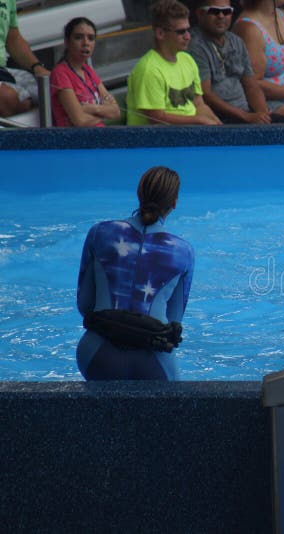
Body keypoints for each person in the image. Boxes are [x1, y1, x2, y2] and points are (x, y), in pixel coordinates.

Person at [76, 166, 194, 381]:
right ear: (174, 202)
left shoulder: (99, 233)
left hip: (96, 352)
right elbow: (174, 320)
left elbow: (84, 305)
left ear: (139, 193)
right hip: (154, 360)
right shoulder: (183, 251)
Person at [126, 0, 222, 125]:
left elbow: (199, 103)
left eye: (188, 30)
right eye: (181, 32)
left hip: (191, 132)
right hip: (158, 139)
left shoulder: (187, 59)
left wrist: (220, 129)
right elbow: (156, 119)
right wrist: (198, 121)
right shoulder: (148, 70)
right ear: (160, 33)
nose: (188, 36)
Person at [188, 0, 280, 124]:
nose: (221, 16)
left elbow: (251, 85)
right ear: (200, 13)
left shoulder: (237, 41)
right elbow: (206, 95)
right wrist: (246, 116)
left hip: (246, 113)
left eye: (226, 11)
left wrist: (262, 114)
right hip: (219, 119)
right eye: (214, 11)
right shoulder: (194, 44)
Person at [49, 17, 120, 127]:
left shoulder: (87, 70)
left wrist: (91, 108)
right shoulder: (60, 73)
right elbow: (80, 120)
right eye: (79, 37)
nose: (86, 43)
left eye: (91, 38)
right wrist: (104, 113)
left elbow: (116, 112)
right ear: (67, 42)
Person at [0, 0, 50, 117]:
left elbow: (13, 39)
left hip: (4, 70)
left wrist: (37, 67)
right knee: (8, 98)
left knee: (55, 91)